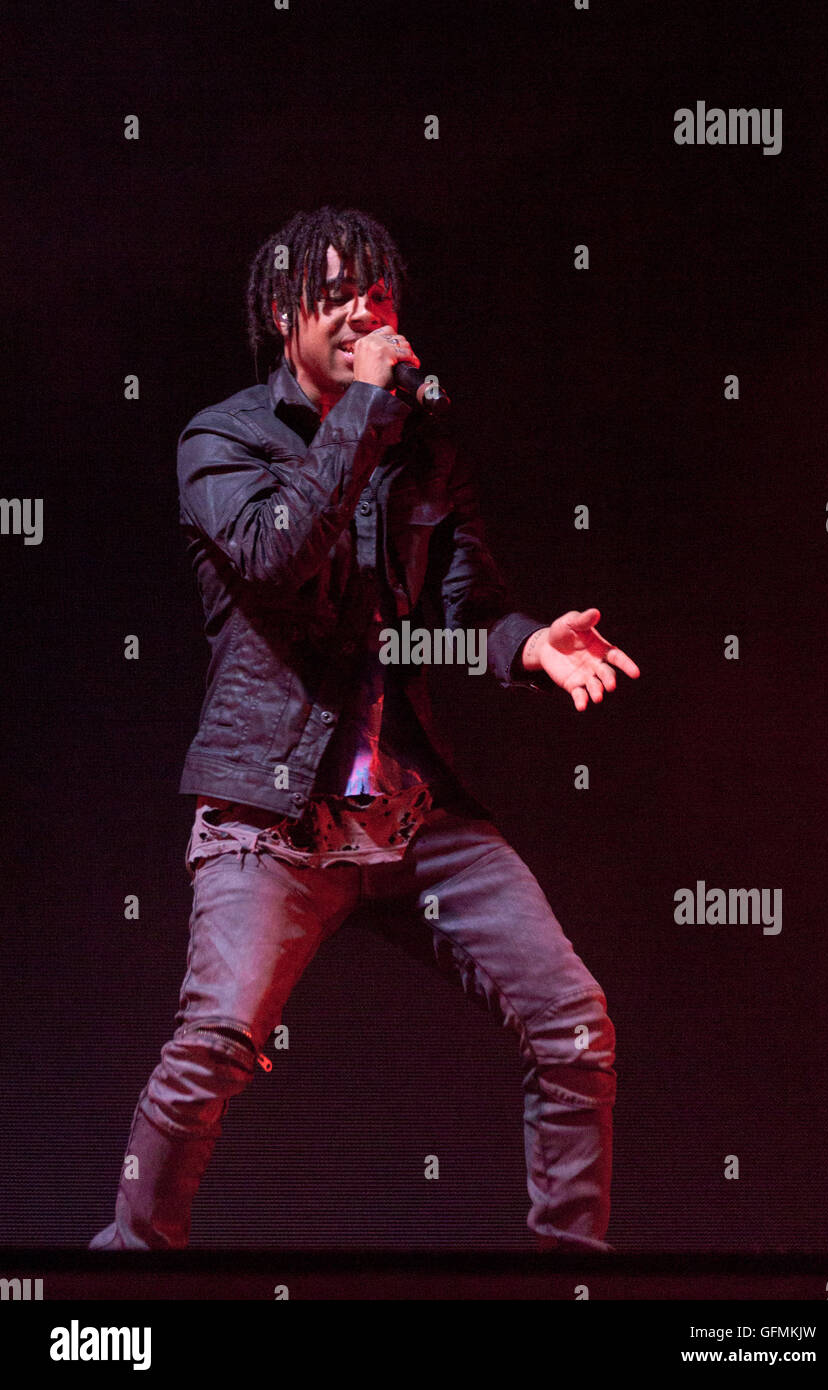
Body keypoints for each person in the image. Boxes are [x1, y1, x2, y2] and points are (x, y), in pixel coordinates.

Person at [89, 205, 640, 1253]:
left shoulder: (421, 447)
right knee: (212, 1045)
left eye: (376, 294)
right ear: (278, 310)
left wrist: (529, 646)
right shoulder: (221, 439)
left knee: (575, 1024)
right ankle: (128, 1271)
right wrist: (365, 412)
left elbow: (465, 617)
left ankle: (574, 1277)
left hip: (407, 808)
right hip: (271, 815)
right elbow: (275, 553)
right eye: (333, 293)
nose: (360, 310)